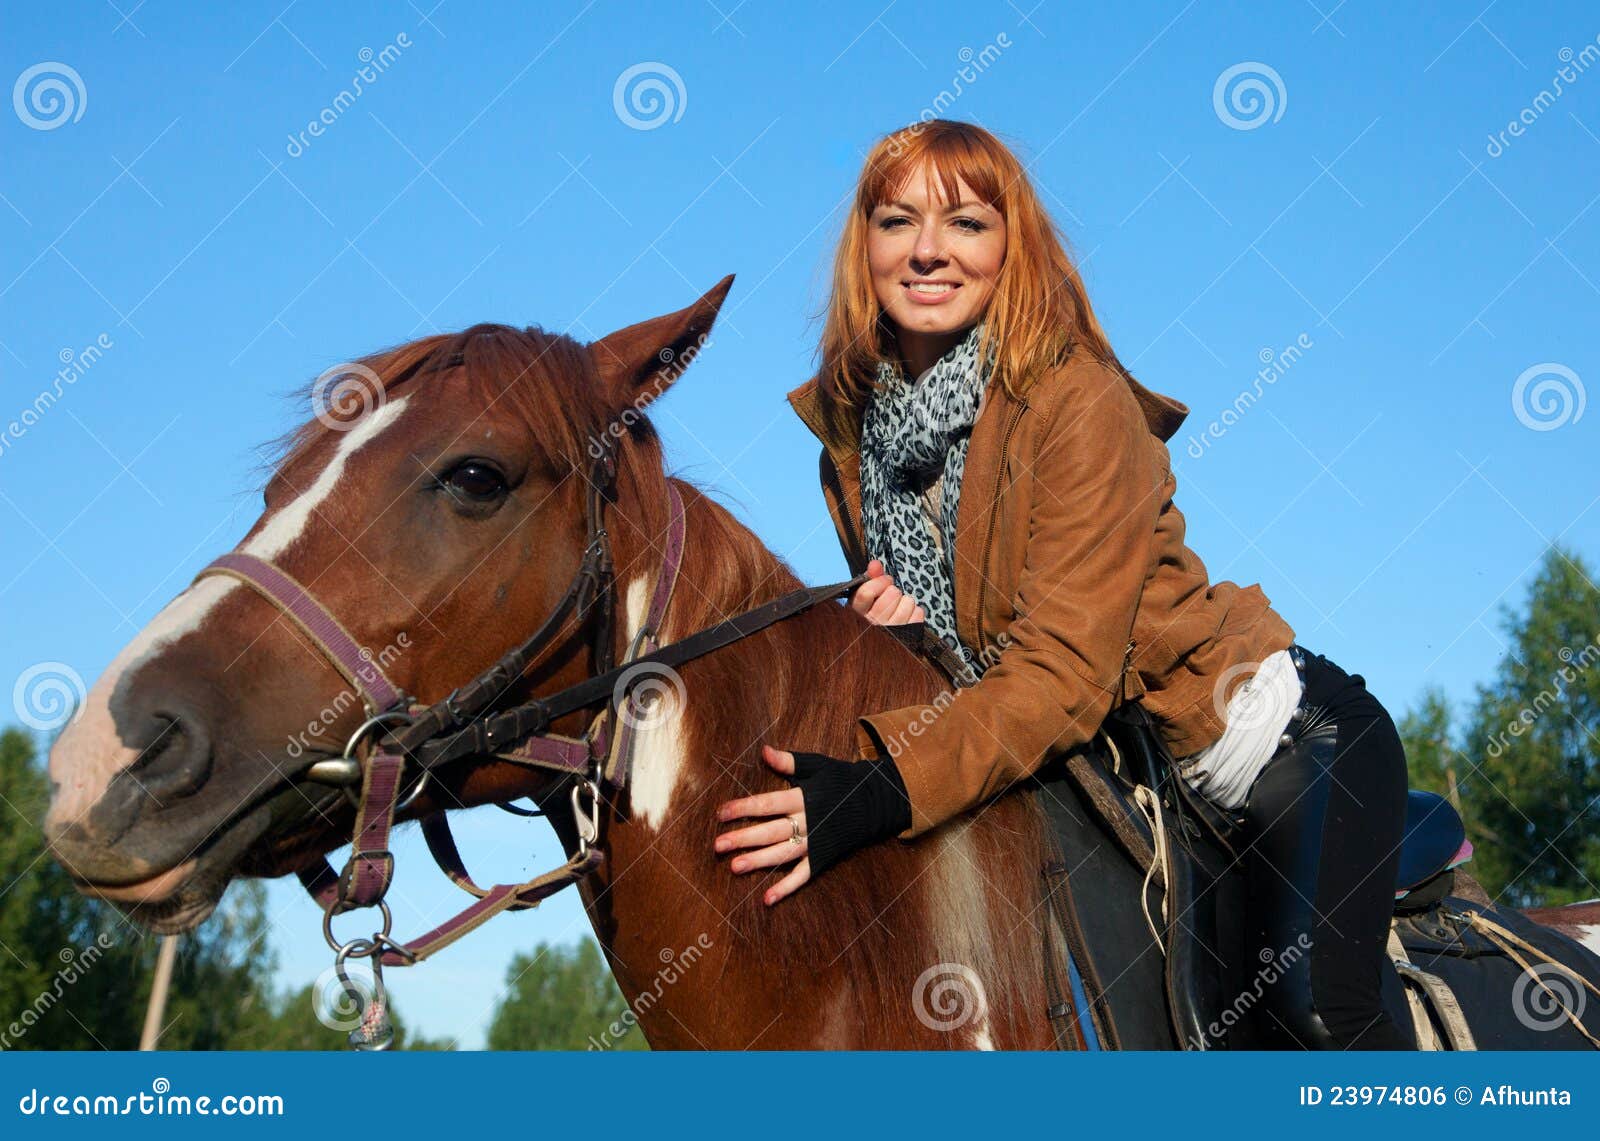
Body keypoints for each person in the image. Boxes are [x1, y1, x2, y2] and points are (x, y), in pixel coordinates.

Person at [712, 120, 1411, 1049]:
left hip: (1264, 746)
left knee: (1311, 1012)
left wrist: (879, 789)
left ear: (1011, 250)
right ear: (863, 249)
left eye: (965, 223)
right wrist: (898, 643)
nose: (927, 250)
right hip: (1080, 771)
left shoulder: (1079, 402)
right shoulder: (856, 442)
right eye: (896, 221)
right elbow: (963, 663)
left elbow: (1060, 670)